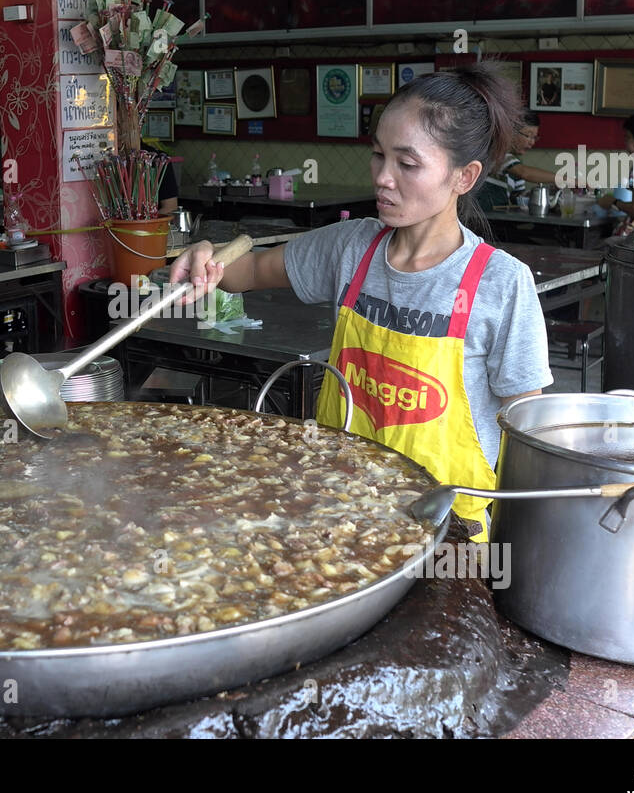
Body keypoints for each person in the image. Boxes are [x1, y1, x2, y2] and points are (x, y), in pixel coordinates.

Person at [170, 65, 553, 540]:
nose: (383, 179)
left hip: (445, 530)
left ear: (464, 176)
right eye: (378, 156)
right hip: (340, 507)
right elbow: (247, 272)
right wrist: (209, 259)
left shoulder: (500, 284)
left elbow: (530, 435)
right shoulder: (352, 248)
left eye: (407, 164)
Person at [476, 110, 564, 210]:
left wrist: (548, 192)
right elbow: (524, 173)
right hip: (477, 219)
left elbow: (517, 198)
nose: (532, 142)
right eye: (529, 136)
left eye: (535, 137)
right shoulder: (494, 153)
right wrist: (565, 179)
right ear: (511, 132)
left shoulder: (514, 163)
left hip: (497, 219)